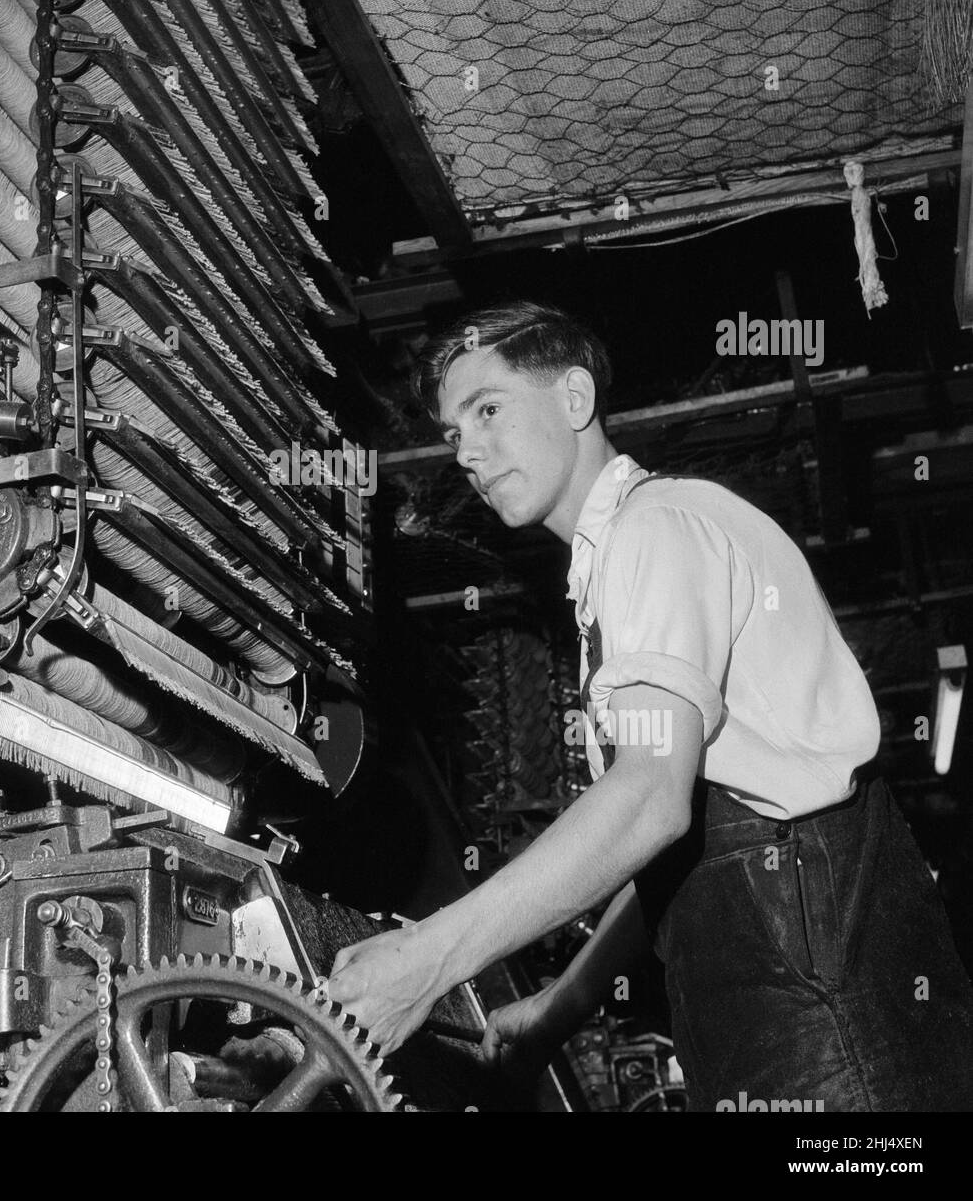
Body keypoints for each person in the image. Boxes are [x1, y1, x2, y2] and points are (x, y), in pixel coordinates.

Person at [326, 300, 973, 1110]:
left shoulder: (655, 529)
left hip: (824, 1012)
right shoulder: (614, 563)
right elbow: (673, 847)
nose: (469, 454)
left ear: (572, 399)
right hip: (783, 993)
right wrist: (557, 1010)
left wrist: (425, 960)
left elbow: (651, 803)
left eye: (488, 410)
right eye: (455, 435)